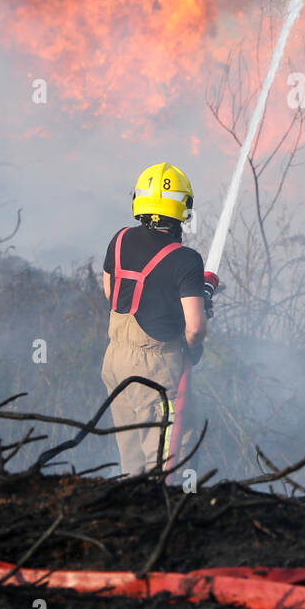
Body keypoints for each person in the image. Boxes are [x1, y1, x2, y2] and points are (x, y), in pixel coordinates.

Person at [101, 161, 215, 476]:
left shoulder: (120, 238)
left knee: (132, 458)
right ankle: (167, 518)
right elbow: (195, 328)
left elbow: (112, 293)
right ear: (184, 207)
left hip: (115, 361)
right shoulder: (186, 260)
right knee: (168, 463)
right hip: (157, 371)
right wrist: (194, 346)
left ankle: (133, 517)